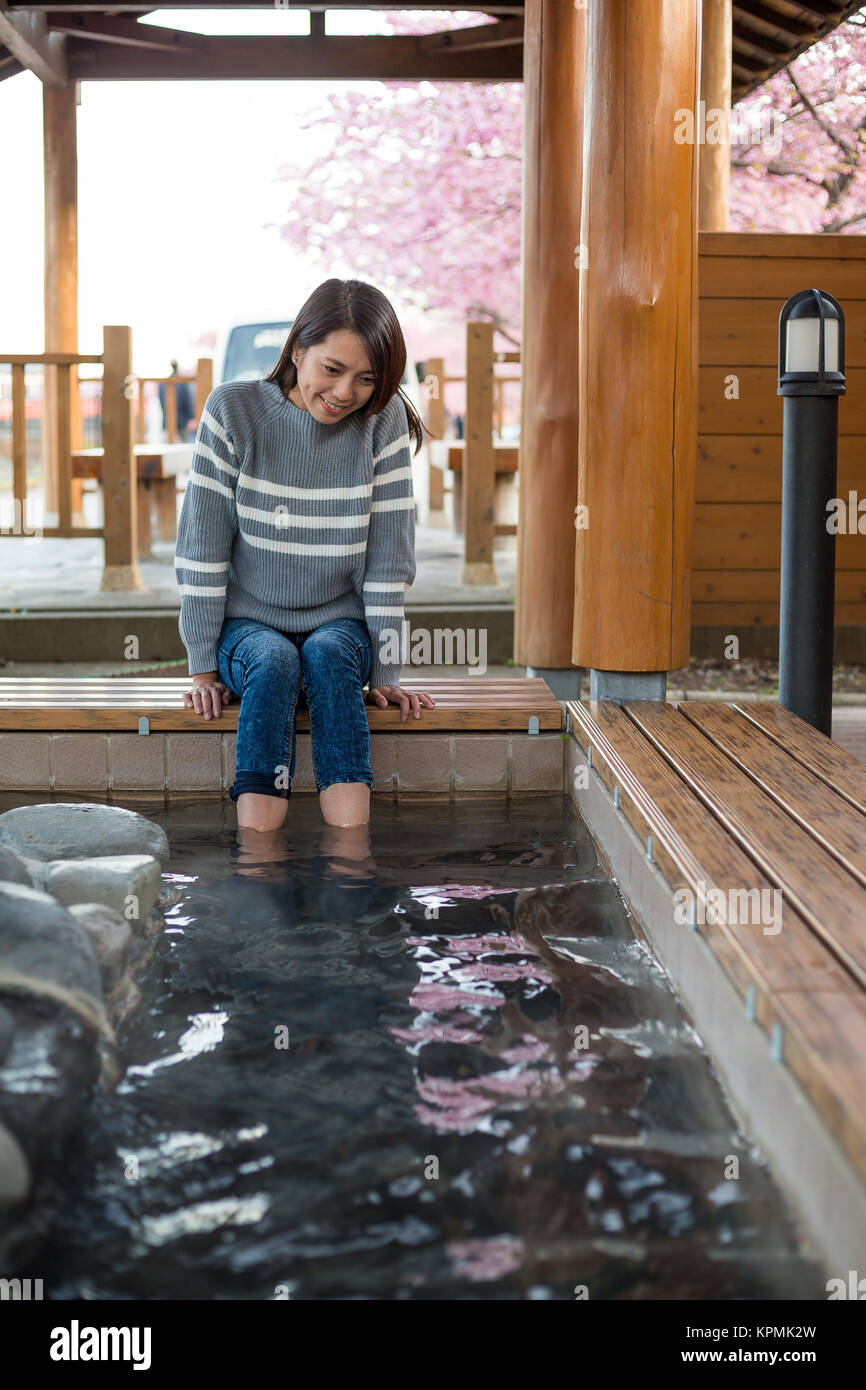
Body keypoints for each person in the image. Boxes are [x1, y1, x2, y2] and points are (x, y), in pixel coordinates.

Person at [174, 278, 436, 835]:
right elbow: (202, 549)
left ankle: (350, 855)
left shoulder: (382, 421)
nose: (346, 392)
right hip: (249, 630)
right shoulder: (233, 411)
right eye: (332, 369)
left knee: (326, 656)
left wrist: (387, 669)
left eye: (367, 379)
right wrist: (201, 666)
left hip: (338, 627)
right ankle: (258, 854)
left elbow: (390, 560)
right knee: (274, 662)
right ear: (297, 350)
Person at [159, 359, 197, 441]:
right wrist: (190, 418)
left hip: (168, 421)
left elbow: (162, 404)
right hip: (183, 422)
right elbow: (188, 402)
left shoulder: (163, 383)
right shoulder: (183, 382)